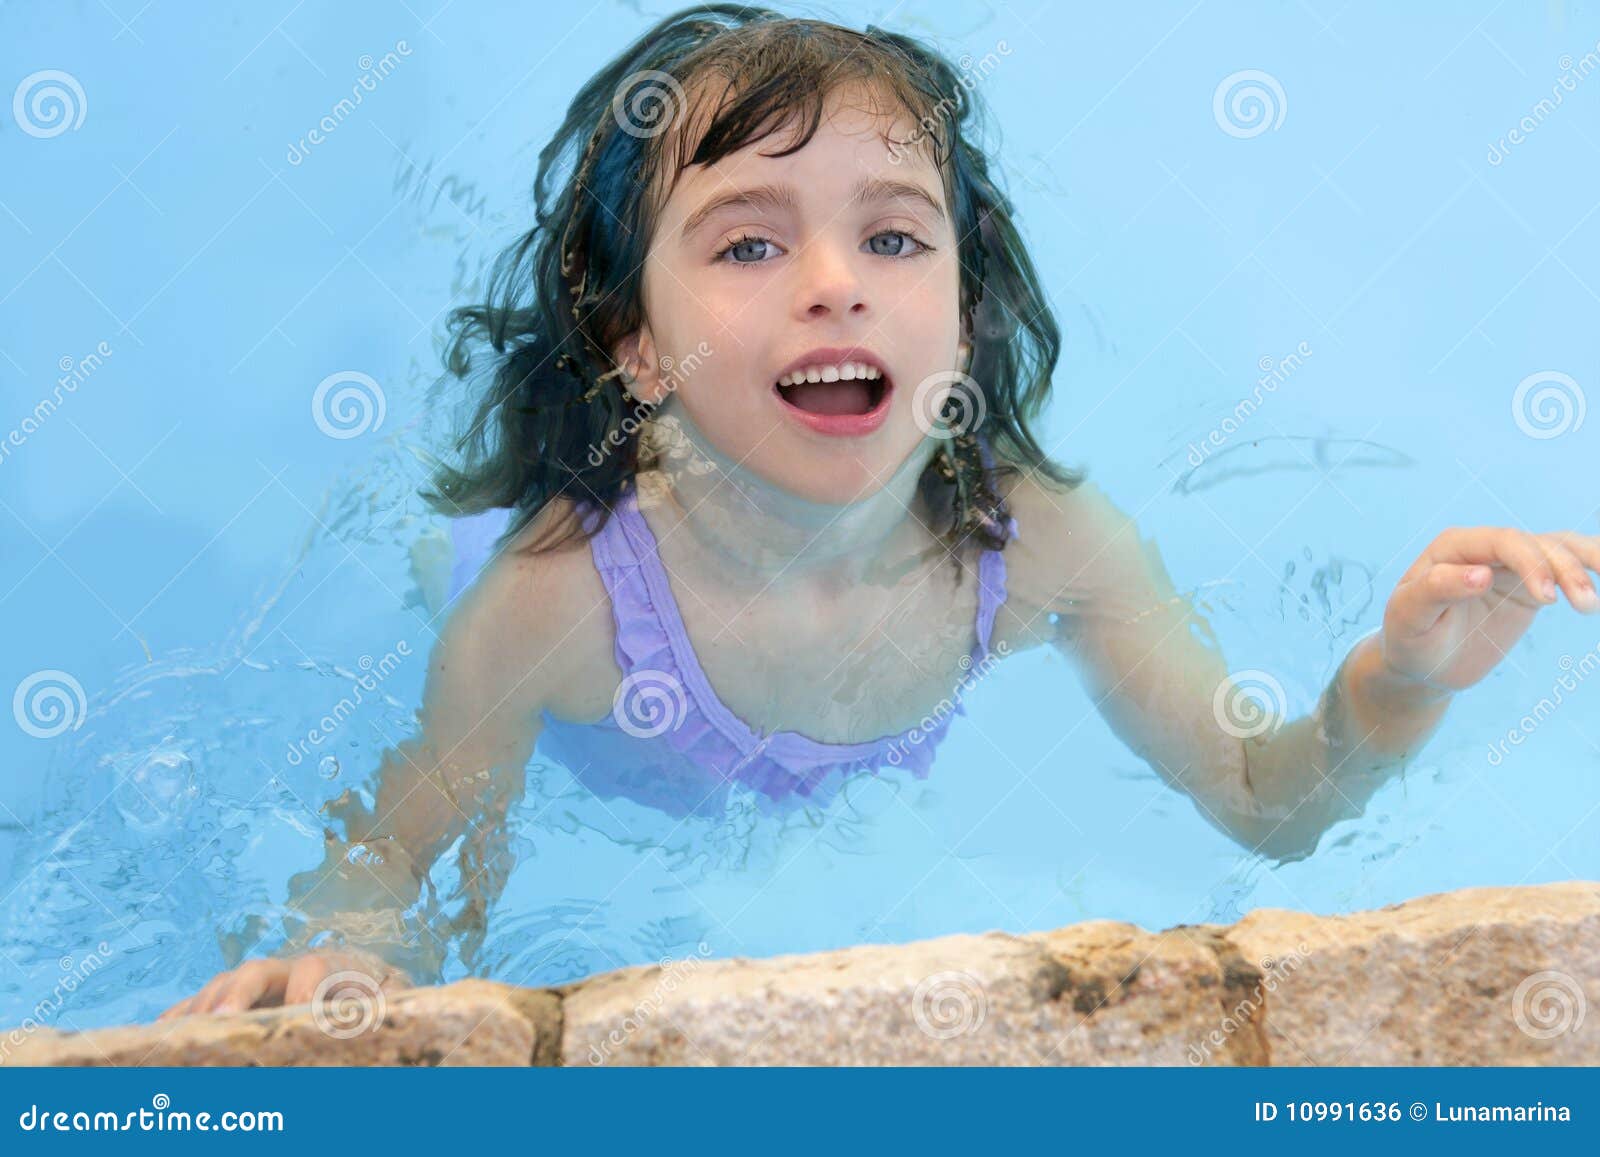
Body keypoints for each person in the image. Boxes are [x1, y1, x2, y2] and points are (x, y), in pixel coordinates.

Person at [158, 4, 1600, 1020]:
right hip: (608, 684)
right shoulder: (554, 604)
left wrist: (1399, 678)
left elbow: (1265, 803)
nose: (836, 279)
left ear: (962, 325)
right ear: (640, 347)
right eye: (749, 240)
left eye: (895, 234)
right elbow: (401, 846)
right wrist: (342, 959)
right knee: (435, 545)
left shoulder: (1042, 547)